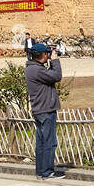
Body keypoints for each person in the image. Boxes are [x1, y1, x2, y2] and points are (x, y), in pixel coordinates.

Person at [25, 43, 65, 179]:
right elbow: (56, 76)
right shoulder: (38, 70)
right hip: (46, 109)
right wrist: (55, 61)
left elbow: (51, 76)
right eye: (47, 54)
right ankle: (47, 171)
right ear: (43, 55)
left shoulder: (31, 68)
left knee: (41, 142)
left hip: (39, 109)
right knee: (49, 142)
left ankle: (40, 171)